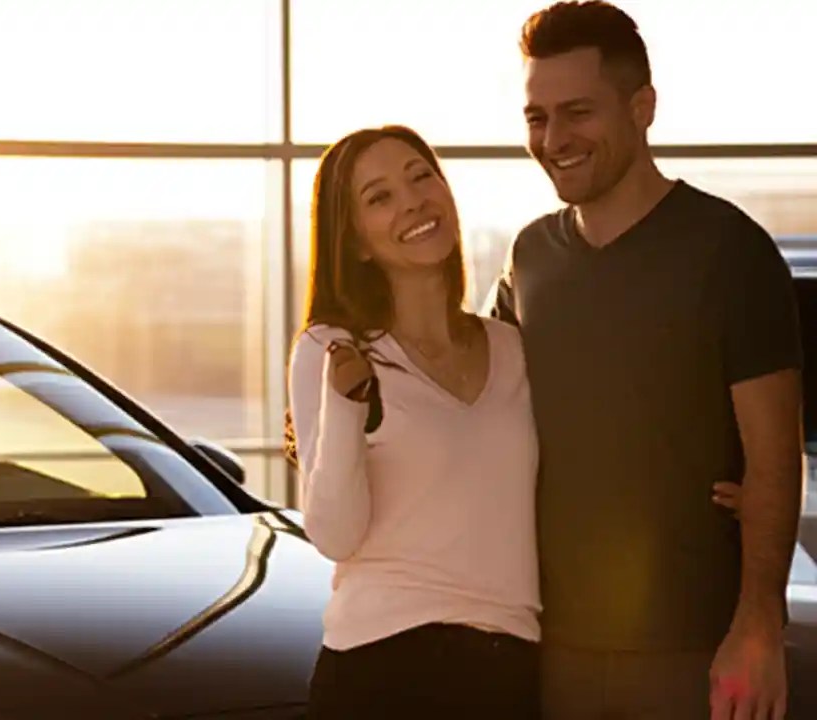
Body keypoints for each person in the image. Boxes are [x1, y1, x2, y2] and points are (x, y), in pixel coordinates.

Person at [489, 2, 804, 717]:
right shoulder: (528, 257)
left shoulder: (730, 251)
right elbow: (471, 392)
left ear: (643, 107)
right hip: (550, 646)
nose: (554, 138)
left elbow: (776, 461)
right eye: (537, 117)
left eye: (577, 112)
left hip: (692, 651)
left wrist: (758, 625)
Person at [285, 124, 541, 717]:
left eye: (421, 177)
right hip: (384, 670)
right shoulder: (330, 348)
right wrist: (347, 404)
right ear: (356, 243)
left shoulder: (514, 348)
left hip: (510, 672)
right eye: (380, 197)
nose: (413, 201)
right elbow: (334, 535)